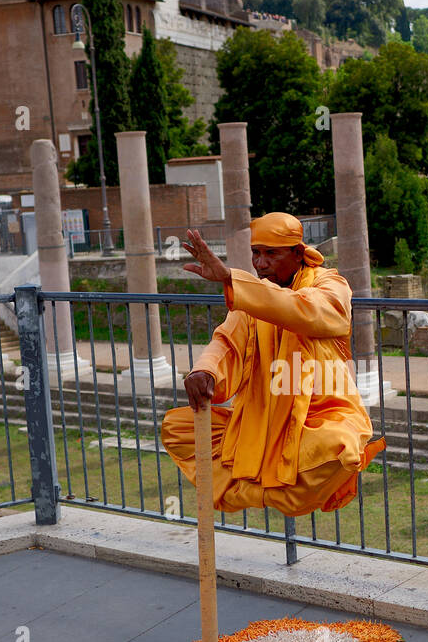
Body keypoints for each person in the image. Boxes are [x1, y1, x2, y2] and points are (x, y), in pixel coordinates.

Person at [161, 212, 385, 517]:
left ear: (297, 253)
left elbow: (306, 309)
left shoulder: (330, 285)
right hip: (261, 416)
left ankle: (255, 489)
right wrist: (205, 370)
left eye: (271, 254)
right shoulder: (251, 297)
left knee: (340, 448)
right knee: (178, 428)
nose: (260, 264)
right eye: (256, 253)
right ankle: (261, 490)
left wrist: (230, 279)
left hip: (320, 413)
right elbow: (226, 342)